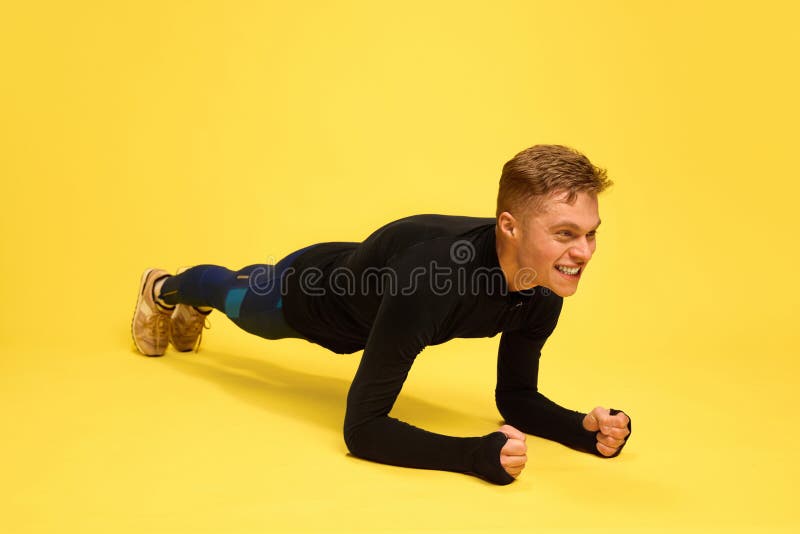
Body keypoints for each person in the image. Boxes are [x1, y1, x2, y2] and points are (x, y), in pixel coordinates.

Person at [130, 144, 632, 485]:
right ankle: (165, 289)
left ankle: (185, 297)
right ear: (510, 228)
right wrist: (472, 456)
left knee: (241, 294)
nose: (584, 252)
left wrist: (577, 430)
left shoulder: (543, 283)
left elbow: (515, 397)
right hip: (309, 295)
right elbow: (363, 428)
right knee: (232, 295)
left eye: (590, 233)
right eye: (565, 233)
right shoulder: (433, 282)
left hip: (378, 282)